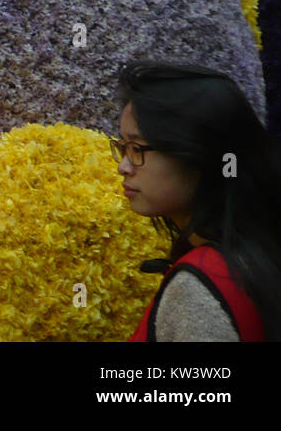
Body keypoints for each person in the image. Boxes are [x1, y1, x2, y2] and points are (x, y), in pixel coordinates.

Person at [111, 59, 281, 341]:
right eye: (122, 148)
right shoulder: (256, 253)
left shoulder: (207, 280)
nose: (124, 166)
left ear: (197, 153)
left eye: (137, 148)